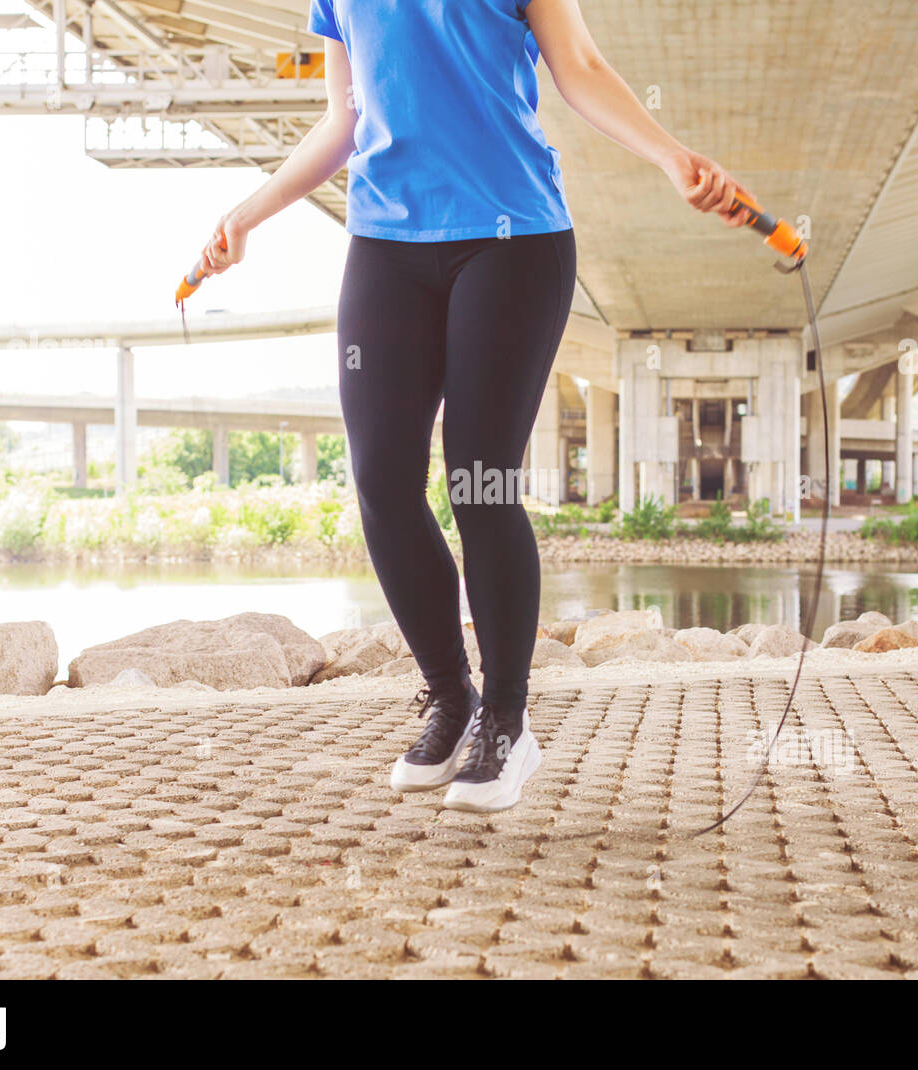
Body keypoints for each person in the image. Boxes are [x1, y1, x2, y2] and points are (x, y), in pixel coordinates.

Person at [196, 0, 750, 813]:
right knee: (382, 482)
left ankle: (507, 720)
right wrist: (243, 217)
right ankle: (449, 696)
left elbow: (581, 68)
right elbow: (344, 121)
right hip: (386, 246)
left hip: (513, 241)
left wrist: (670, 159)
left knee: (480, 480)